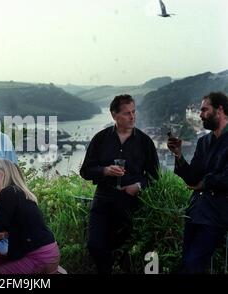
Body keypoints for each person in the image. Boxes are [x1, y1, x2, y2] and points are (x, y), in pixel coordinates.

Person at [80, 94, 159, 274]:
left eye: (133, 112)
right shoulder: (100, 139)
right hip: (103, 198)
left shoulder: (145, 142)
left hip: (130, 202)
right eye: (126, 113)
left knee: (125, 248)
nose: (132, 117)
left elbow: (155, 176)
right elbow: (85, 170)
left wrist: (138, 186)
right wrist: (104, 171)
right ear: (114, 115)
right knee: (94, 244)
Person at [0, 159, 60, 274]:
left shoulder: (8, 192)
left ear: (2, 173)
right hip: (45, 251)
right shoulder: (15, 191)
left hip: (39, 256)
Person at [167, 92, 228, 273]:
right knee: (187, 263)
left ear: (220, 110)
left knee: (192, 265)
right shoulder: (204, 142)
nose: (200, 114)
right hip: (195, 212)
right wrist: (178, 154)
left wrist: (204, 183)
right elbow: (192, 177)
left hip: (217, 215)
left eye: (204, 110)